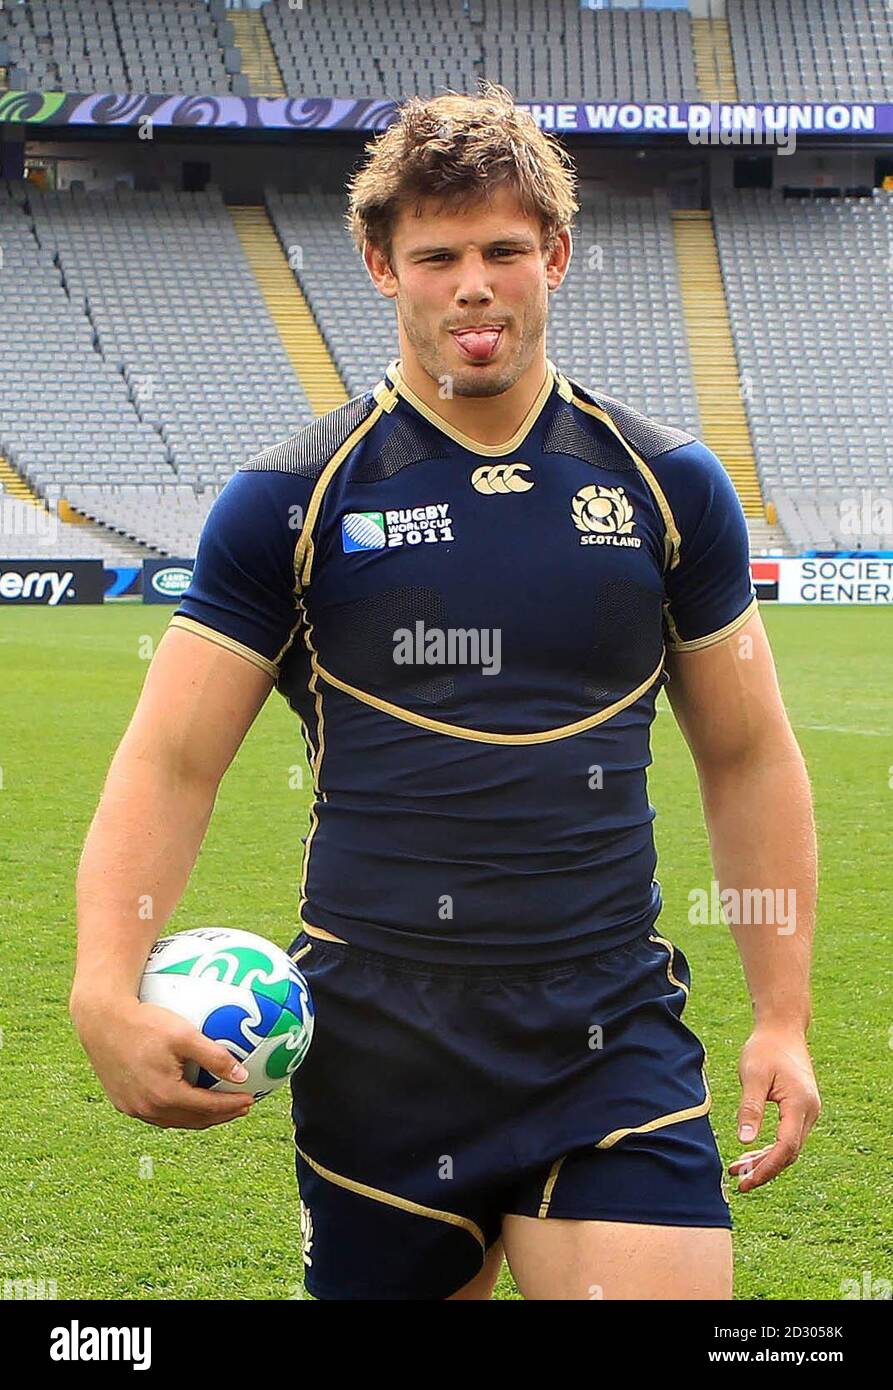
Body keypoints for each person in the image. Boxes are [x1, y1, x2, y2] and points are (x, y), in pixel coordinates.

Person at [71, 82, 820, 1301]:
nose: (473, 283)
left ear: (556, 256)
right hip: (380, 1042)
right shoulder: (289, 502)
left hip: (606, 1028)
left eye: (503, 250)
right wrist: (104, 980)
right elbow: (170, 760)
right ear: (380, 265)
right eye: (436, 255)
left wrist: (779, 1013)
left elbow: (746, 755)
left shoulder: (664, 486)